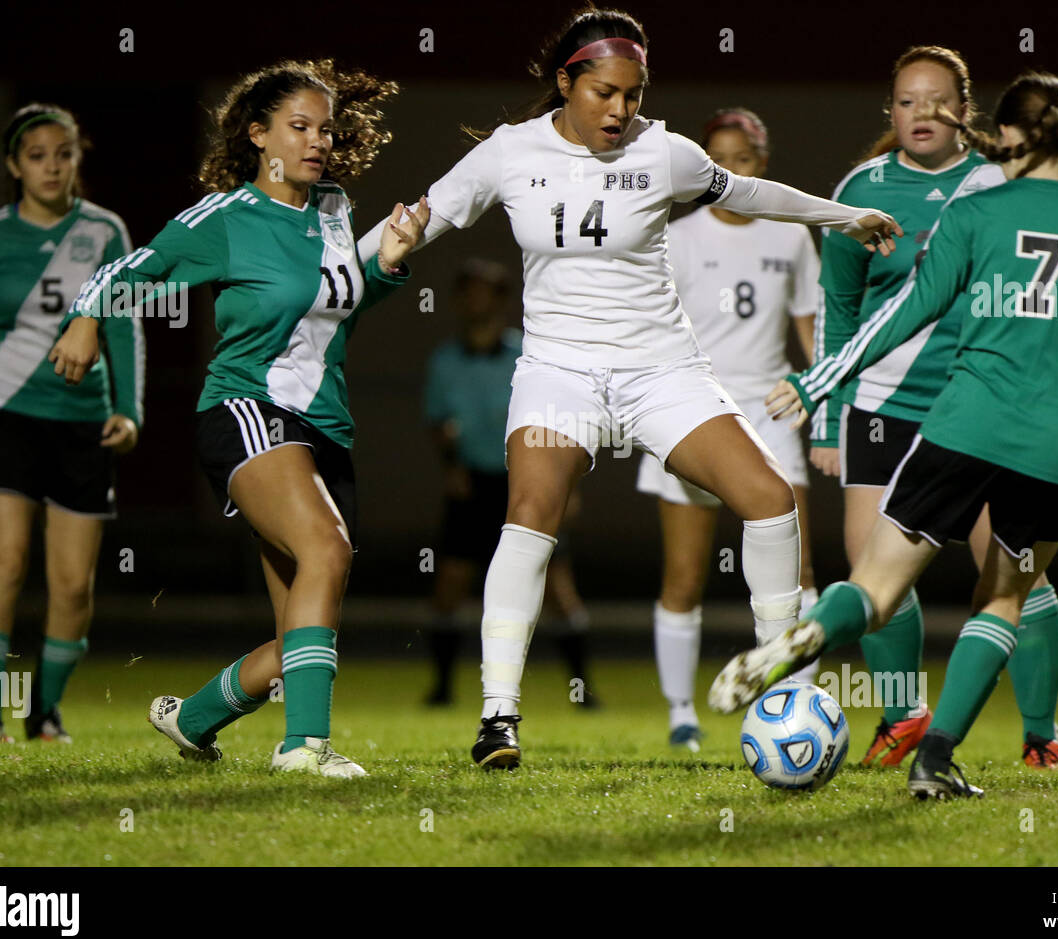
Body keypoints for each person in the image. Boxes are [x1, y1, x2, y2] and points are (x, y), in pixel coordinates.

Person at [358, 7, 902, 769]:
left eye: (634, 95)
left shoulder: (667, 153)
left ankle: (778, 681)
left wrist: (844, 217)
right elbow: (414, 222)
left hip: (661, 370)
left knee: (771, 500)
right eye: (606, 92)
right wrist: (343, 274)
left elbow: (749, 194)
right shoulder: (508, 154)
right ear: (565, 82)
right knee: (530, 516)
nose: (621, 110)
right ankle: (497, 719)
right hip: (558, 372)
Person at [709, 71, 1058, 800]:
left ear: (1002, 138)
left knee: (876, 584)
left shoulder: (975, 214)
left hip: (960, 430)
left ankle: (807, 638)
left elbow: (905, 311)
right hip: (1053, 455)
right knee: (1003, 599)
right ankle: (937, 760)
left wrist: (818, 381)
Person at [49, 60, 429, 777]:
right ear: (258, 135)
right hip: (248, 409)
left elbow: (335, 310)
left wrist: (387, 268)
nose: (317, 141)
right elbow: (133, 269)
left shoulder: (335, 208)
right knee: (328, 550)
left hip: (326, 427)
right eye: (299, 127)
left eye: (324, 128)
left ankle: (192, 719)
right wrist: (84, 319)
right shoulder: (226, 218)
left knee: (301, 634)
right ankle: (304, 749)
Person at [810, 46, 1058, 769]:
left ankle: (1039, 732)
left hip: (982, 405)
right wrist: (828, 414)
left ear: (966, 110)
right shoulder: (859, 191)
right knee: (872, 569)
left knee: (1011, 573)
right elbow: (837, 310)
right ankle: (902, 714)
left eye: (935, 101)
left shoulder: (1002, 183)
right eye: (904, 102)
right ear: (889, 112)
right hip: (880, 404)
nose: (919, 115)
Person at [0, 104, 141, 745]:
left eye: (64, 153)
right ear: (13, 167)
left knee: (73, 585)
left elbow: (125, 328)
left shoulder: (106, 232)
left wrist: (128, 410)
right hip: (4, 416)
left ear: (78, 158)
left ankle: (44, 714)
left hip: (84, 423)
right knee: (6, 563)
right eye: (38, 155)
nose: (52, 166)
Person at [635, 107, 821, 752]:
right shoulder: (676, 236)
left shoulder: (791, 235)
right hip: (691, 414)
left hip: (772, 414)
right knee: (685, 575)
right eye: (716, 161)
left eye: (742, 160)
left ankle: (794, 704)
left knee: (799, 570)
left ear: (762, 164)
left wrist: (821, 401)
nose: (729, 172)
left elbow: (811, 330)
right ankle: (682, 715)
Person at [424, 258, 595, 706]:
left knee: (558, 587)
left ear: (502, 301)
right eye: (469, 291)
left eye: (486, 291)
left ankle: (582, 690)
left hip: (525, 482)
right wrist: (450, 468)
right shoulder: (444, 360)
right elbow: (438, 422)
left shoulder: (526, 354)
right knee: (450, 587)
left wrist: (569, 488)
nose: (476, 300)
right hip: (473, 486)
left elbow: (560, 421)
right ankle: (442, 688)